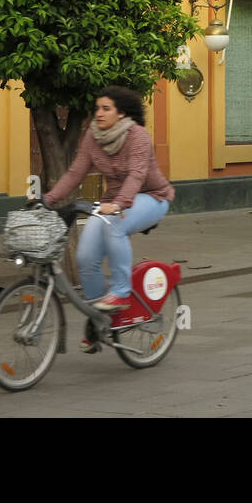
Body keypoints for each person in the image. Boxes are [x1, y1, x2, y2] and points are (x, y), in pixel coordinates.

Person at [45, 86, 173, 351]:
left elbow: (137, 175)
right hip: (112, 202)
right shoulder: (93, 137)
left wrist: (118, 204)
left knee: (115, 225)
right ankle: (98, 320)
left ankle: (121, 292)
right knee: (85, 258)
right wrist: (48, 199)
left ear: (121, 112)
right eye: (97, 108)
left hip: (151, 197)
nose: (99, 113)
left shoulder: (137, 136)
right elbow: (75, 173)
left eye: (106, 108)